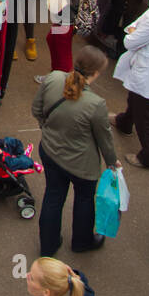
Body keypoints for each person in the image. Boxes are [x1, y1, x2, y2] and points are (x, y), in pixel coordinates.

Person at [32, 45, 119, 257]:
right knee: (84, 200)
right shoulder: (96, 104)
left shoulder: (53, 78)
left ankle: (48, 246)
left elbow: (36, 109)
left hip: (50, 152)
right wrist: (112, 162)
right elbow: (104, 140)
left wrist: (49, 130)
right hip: (81, 164)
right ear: (96, 73)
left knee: (53, 196)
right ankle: (82, 241)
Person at [111, 0, 149, 168]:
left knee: (144, 114)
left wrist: (132, 33)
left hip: (148, 71)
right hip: (144, 66)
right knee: (134, 99)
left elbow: (130, 41)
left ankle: (148, 156)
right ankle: (125, 122)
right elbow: (135, 27)